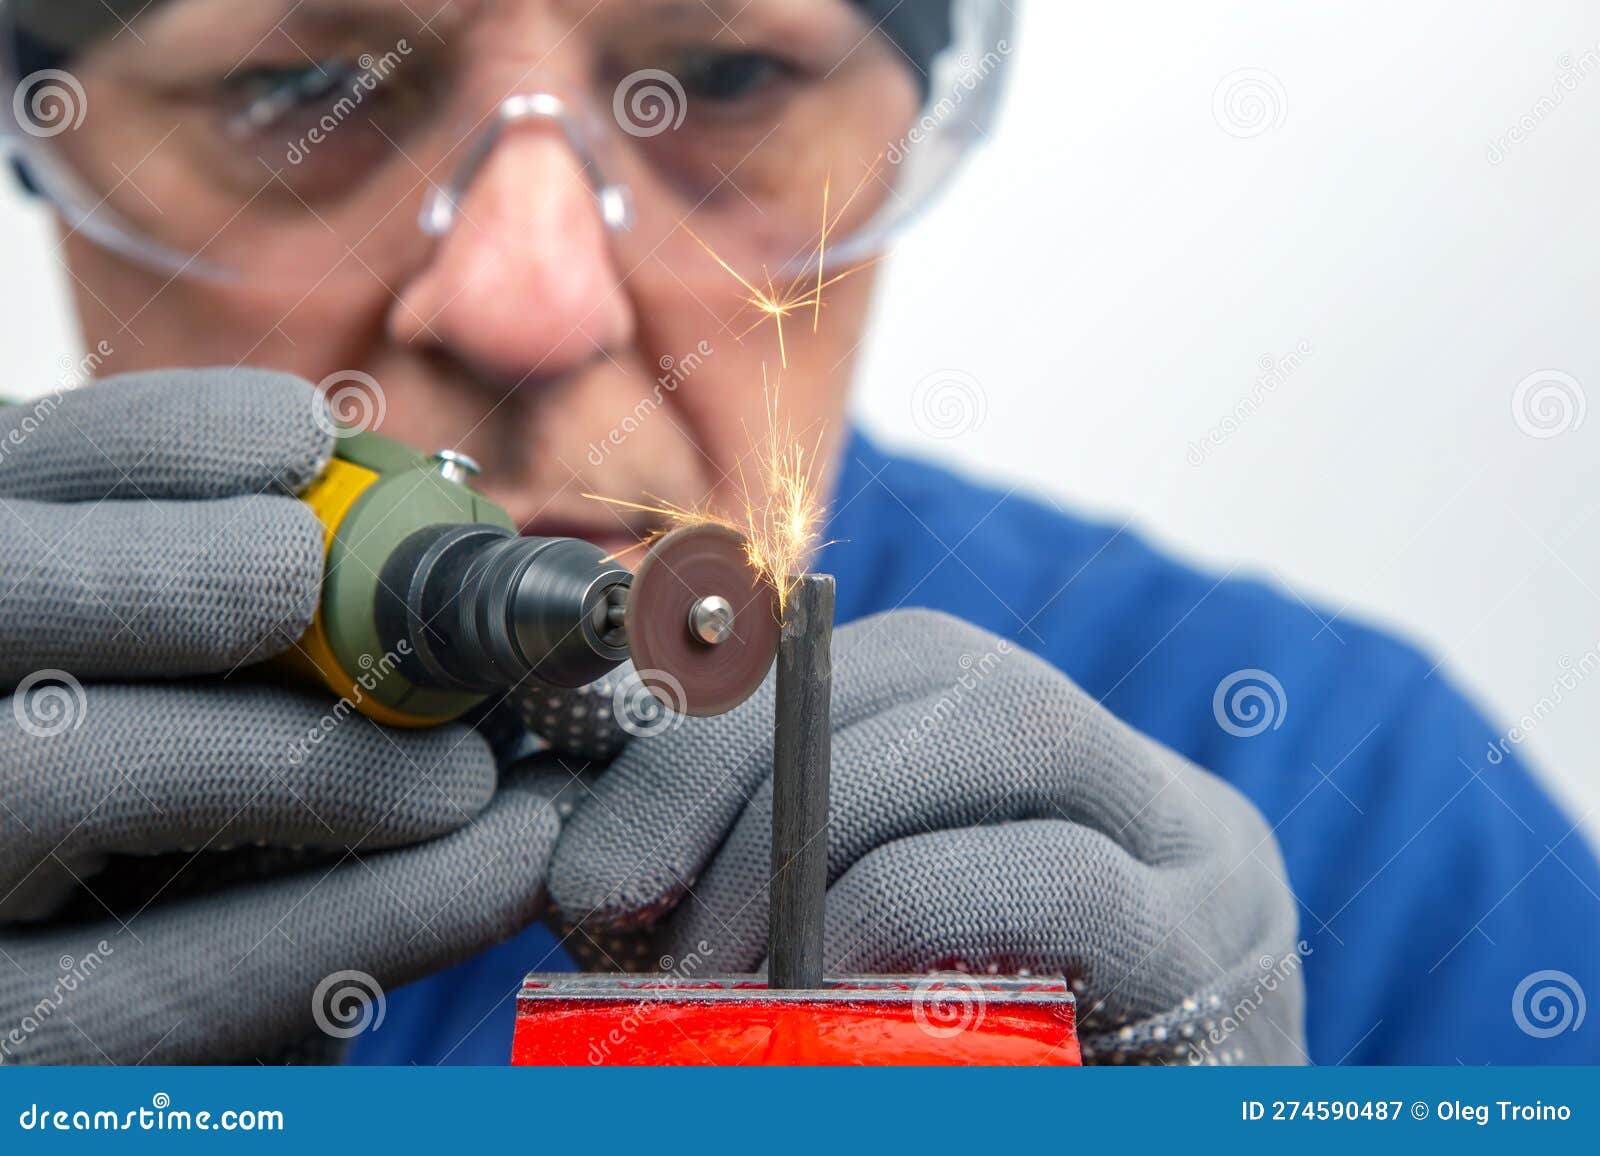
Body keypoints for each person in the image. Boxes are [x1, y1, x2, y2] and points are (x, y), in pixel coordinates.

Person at [0, 0, 1591, 1067]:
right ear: (44, 137)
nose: (530, 302)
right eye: (298, 95)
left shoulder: (1366, 810)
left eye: (726, 78)